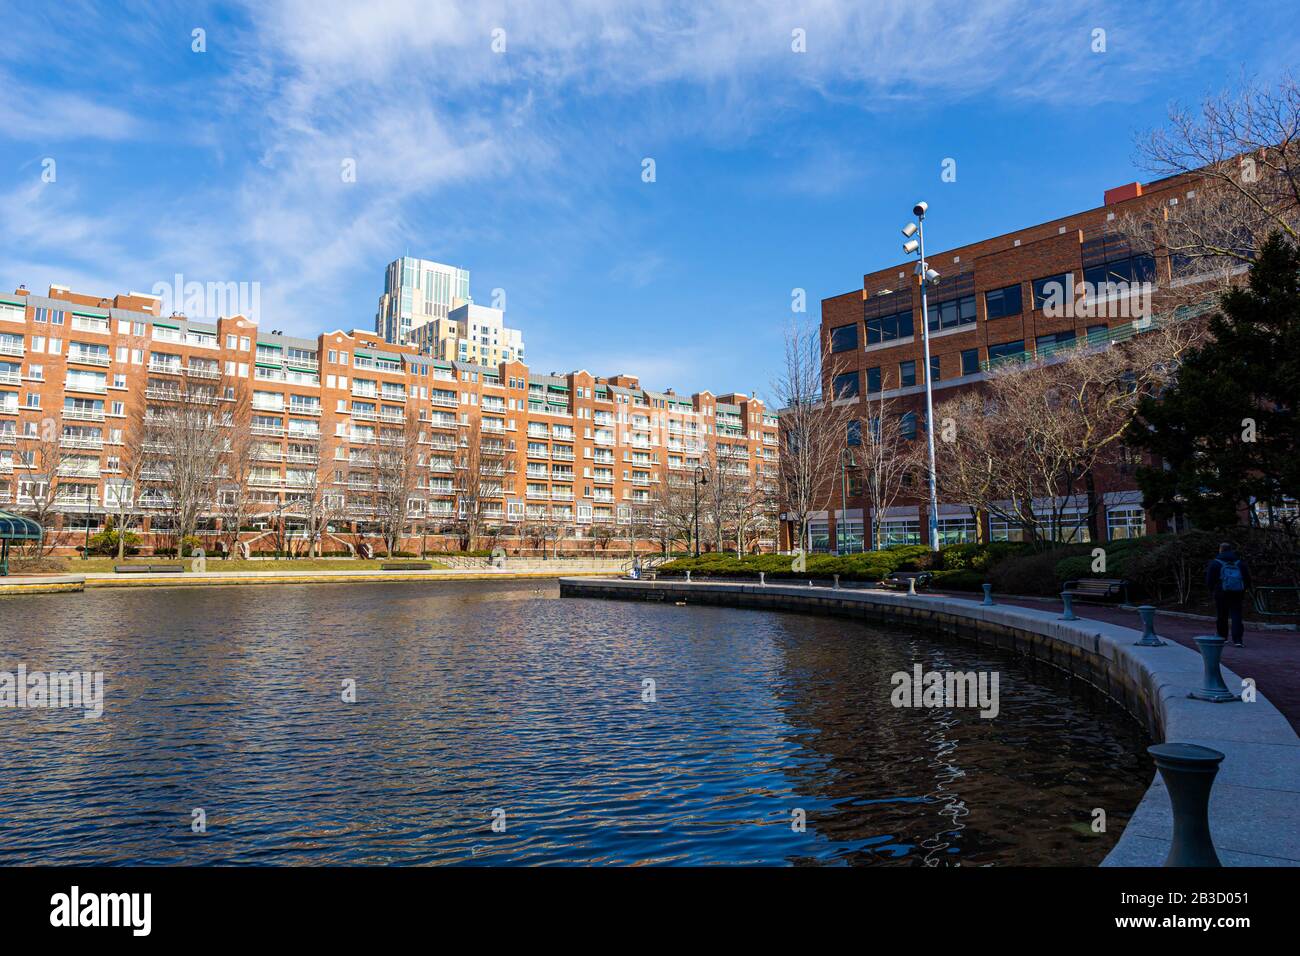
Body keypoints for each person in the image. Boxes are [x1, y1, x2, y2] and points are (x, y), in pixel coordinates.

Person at [1205, 542, 1252, 647]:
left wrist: (1212, 590)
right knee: (1236, 615)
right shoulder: (1239, 563)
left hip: (1221, 593)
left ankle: (1222, 637)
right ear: (1231, 550)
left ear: (1220, 550)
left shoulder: (1215, 563)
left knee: (1222, 615)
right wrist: (1243, 589)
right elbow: (1247, 579)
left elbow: (1209, 580)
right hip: (1237, 593)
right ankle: (1238, 640)